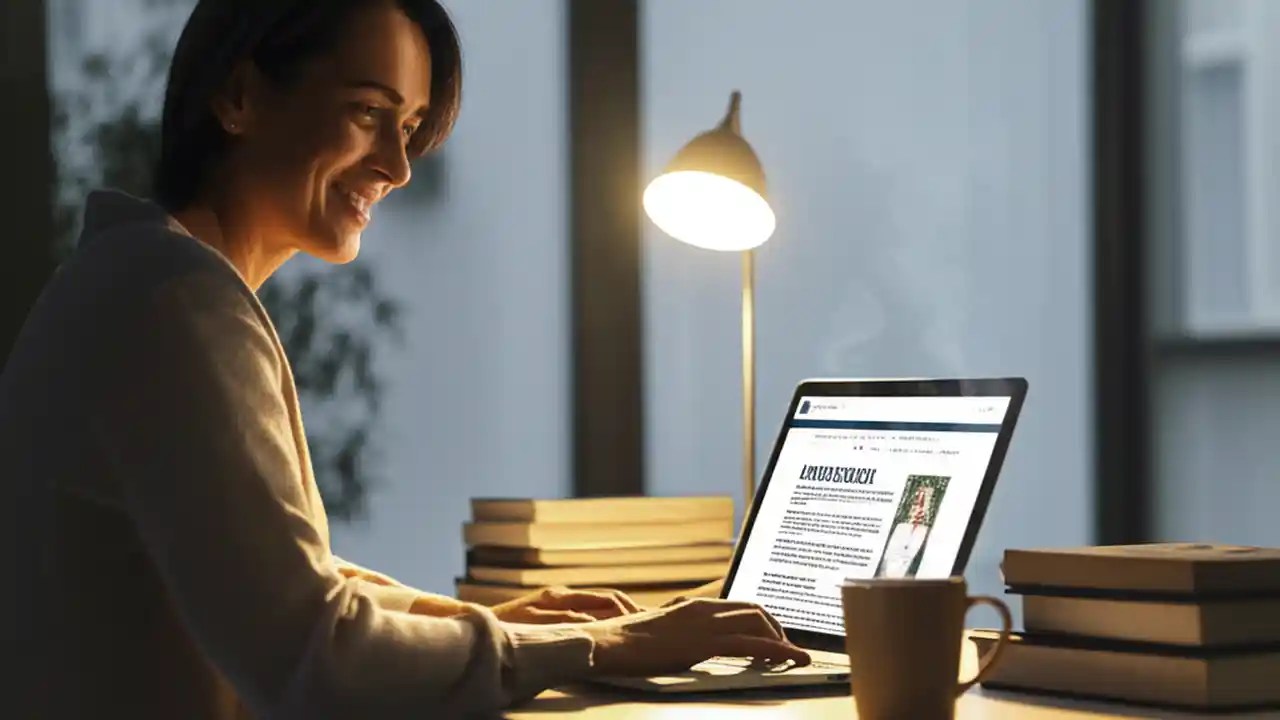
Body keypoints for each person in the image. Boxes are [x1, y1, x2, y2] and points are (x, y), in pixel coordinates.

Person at [1, 1, 807, 717]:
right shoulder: (174, 303)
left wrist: (486, 625)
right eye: (366, 112)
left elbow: (281, 585)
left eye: (410, 126)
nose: (397, 164)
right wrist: (601, 649)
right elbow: (315, 656)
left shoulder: (141, 279)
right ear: (240, 96)